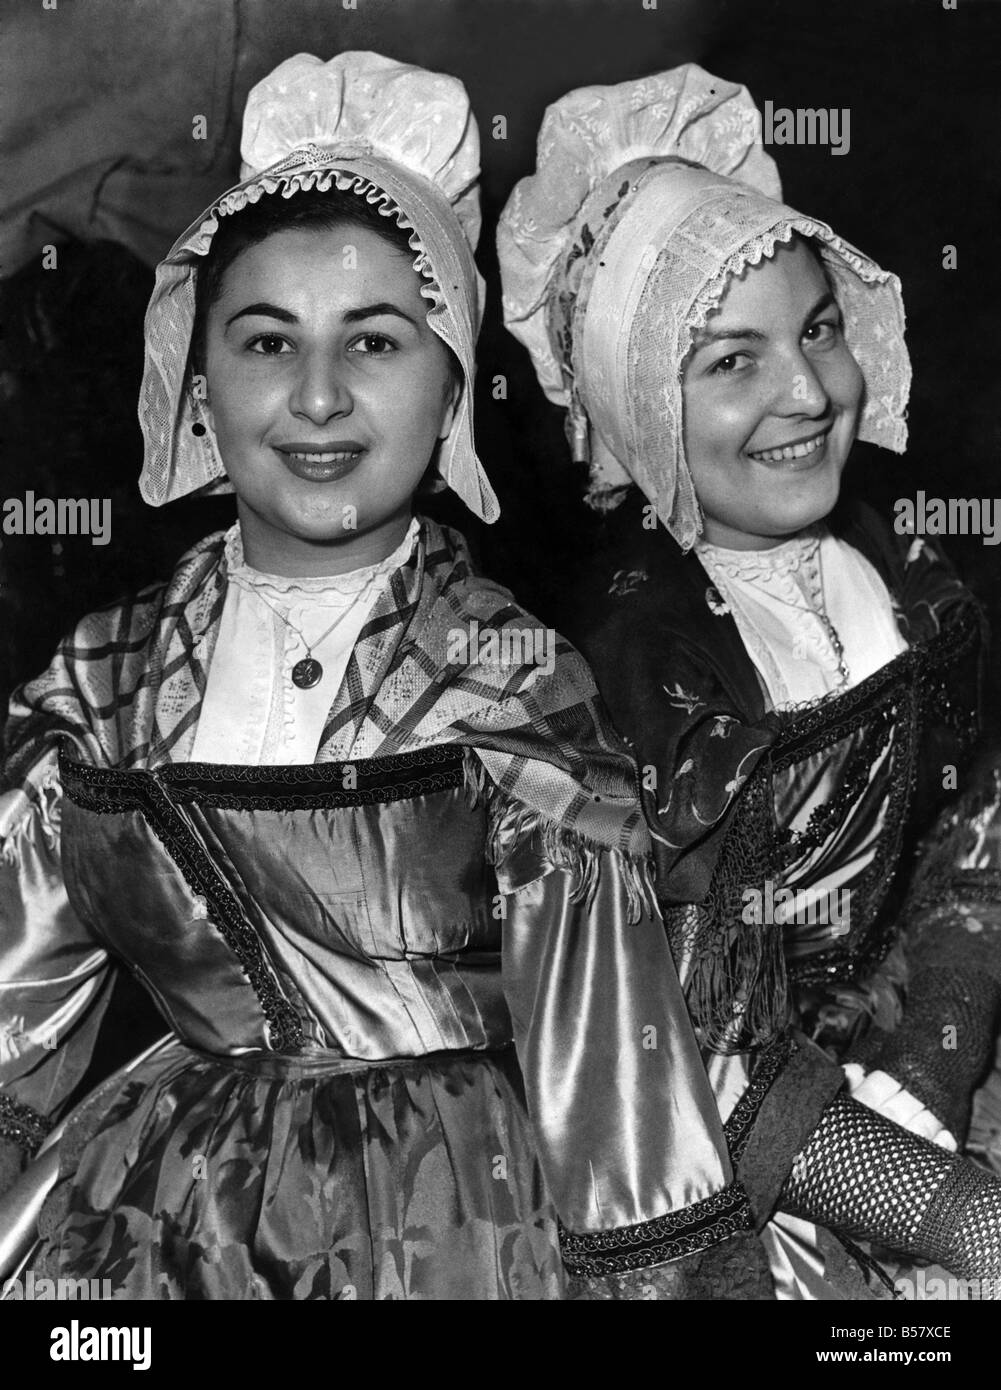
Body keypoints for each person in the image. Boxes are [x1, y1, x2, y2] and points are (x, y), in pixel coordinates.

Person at [0, 51, 746, 1301]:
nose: (317, 398)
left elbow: (617, 1093)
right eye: (264, 341)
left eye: (376, 342)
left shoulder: (512, 688)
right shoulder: (99, 681)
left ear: (448, 381)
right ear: (195, 376)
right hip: (157, 1233)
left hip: (458, 1218)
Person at [498, 63, 1001, 1298]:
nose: (804, 391)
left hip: (921, 1055)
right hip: (721, 1157)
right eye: (730, 361)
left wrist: (933, 1063)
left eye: (816, 329)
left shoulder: (904, 571)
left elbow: (969, 837)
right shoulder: (624, 670)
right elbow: (662, 1042)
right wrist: (933, 1201)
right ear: (634, 410)